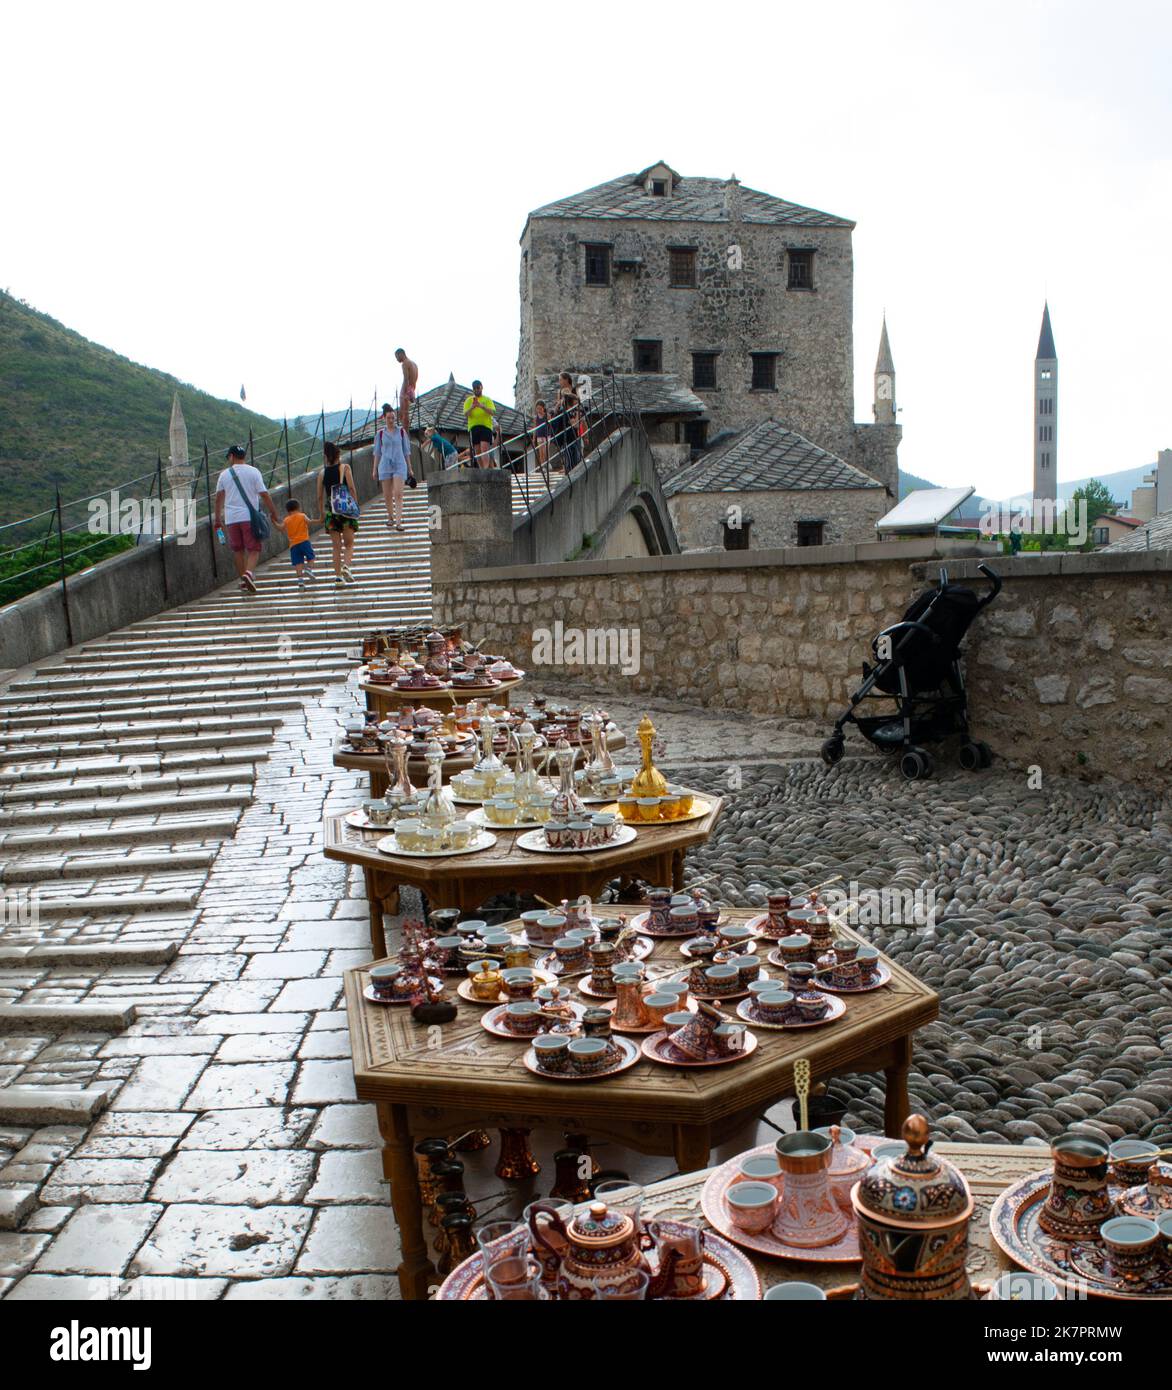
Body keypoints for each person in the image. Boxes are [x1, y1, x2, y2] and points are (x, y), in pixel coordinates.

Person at [214, 444, 280, 594]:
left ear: (231, 456)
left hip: (231, 519)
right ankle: (249, 574)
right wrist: (274, 512)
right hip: (249, 517)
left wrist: (217, 519)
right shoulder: (254, 472)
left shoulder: (224, 475)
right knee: (254, 549)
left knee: (238, 550)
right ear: (244, 456)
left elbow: (218, 499)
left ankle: (243, 582)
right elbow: (264, 494)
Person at [316, 440, 358, 584]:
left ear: (326, 456)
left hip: (331, 512)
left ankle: (338, 577)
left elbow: (320, 496)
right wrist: (355, 505)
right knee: (349, 544)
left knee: (336, 546)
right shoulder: (345, 468)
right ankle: (346, 566)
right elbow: (351, 489)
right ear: (338, 454)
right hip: (345, 510)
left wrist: (322, 514)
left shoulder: (322, 474)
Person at [373, 401, 412, 531]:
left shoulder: (401, 432)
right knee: (387, 494)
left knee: (398, 493)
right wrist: (374, 469)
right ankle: (390, 517)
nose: (391, 420)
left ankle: (399, 521)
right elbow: (377, 453)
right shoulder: (380, 434)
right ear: (384, 418)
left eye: (393, 418)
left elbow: (406, 451)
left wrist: (410, 468)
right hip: (384, 465)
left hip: (399, 464)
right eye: (388, 418)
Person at [274, 497, 317, 587]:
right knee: (311, 556)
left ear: (288, 510)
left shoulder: (286, 520)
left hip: (293, 545)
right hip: (304, 541)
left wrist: (274, 522)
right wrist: (319, 520)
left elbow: (280, 528)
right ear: (298, 507)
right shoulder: (302, 515)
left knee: (298, 562)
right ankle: (309, 569)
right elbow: (309, 522)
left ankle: (300, 580)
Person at [462, 379, 496, 467]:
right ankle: (482, 469)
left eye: (478, 388)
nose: (477, 390)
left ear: (481, 388)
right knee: (477, 450)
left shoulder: (487, 399)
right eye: (475, 388)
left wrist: (481, 406)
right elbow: (466, 414)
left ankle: (485, 469)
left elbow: (492, 412)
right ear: (473, 389)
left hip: (486, 426)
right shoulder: (468, 401)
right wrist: (472, 407)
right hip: (473, 427)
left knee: (484, 448)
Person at [551, 372, 579, 472]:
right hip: (563, 417)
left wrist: (568, 395)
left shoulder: (574, 390)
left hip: (572, 416)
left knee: (573, 441)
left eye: (560, 379)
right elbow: (558, 405)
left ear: (566, 379)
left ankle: (573, 465)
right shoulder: (559, 392)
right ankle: (565, 465)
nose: (559, 382)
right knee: (563, 442)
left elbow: (578, 402)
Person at [395, 348, 418, 427]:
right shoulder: (414, 364)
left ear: (400, 354)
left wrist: (404, 393)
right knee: (406, 413)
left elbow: (406, 379)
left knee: (403, 414)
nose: (396, 359)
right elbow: (415, 380)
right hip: (412, 389)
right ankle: (405, 431)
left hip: (406, 390)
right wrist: (411, 391)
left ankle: (403, 433)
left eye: (396, 357)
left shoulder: (405, 363)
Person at [532, 400, 551, 474]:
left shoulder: (547, 415)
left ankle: (548, 463)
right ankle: (543, 467)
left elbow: (550, 425)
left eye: (540, 408)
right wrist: (534, 439)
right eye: (537, 409)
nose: (539, 410)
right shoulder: (535, 418)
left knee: (546, 451)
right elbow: (535, 428)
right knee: (541, 452)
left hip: (546, 435)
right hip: (539, 436)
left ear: (543, 408)